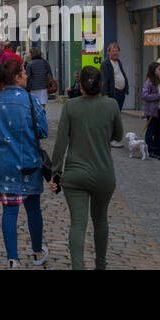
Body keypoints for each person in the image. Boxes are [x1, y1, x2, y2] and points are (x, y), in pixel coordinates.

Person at [51, 64, 123, 270]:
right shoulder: (111, 105)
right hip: (103, 173)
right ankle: (101, 264)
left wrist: (55, 173)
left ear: (79, 85)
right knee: (100, 220)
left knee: (78, 224)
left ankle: (78, 266)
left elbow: (60, 143)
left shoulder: (71, 106)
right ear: (101, 84)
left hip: (75, 174)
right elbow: (118, 135)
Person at [0, 57, 49, 268]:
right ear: (17, 77)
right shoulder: (32, 101)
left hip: (5, 164)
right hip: (29, 163)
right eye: (24, 72)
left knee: (9, 212)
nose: (27, 75)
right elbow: (43, 131)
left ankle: (13, 258)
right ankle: (37, 251)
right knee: (33, 209)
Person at [141, 61, 160, 159]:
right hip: (152, 111)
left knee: (159, 131)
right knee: (151, 130)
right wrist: (157, 96)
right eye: (159, 69)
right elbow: (145, 95)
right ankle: (150, 150)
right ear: (153, 70)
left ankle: (158, 150)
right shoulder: (149, 82)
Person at [100, 43, 129, 111]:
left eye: (117, 51)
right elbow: (104, 80)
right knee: (111, 114)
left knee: (118, 113)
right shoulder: (105, 64)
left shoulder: (118, 62)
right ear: (108, 52)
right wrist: (105, 95)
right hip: (113, 94)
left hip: (121, 93)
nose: (115, 53)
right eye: (113, 51)